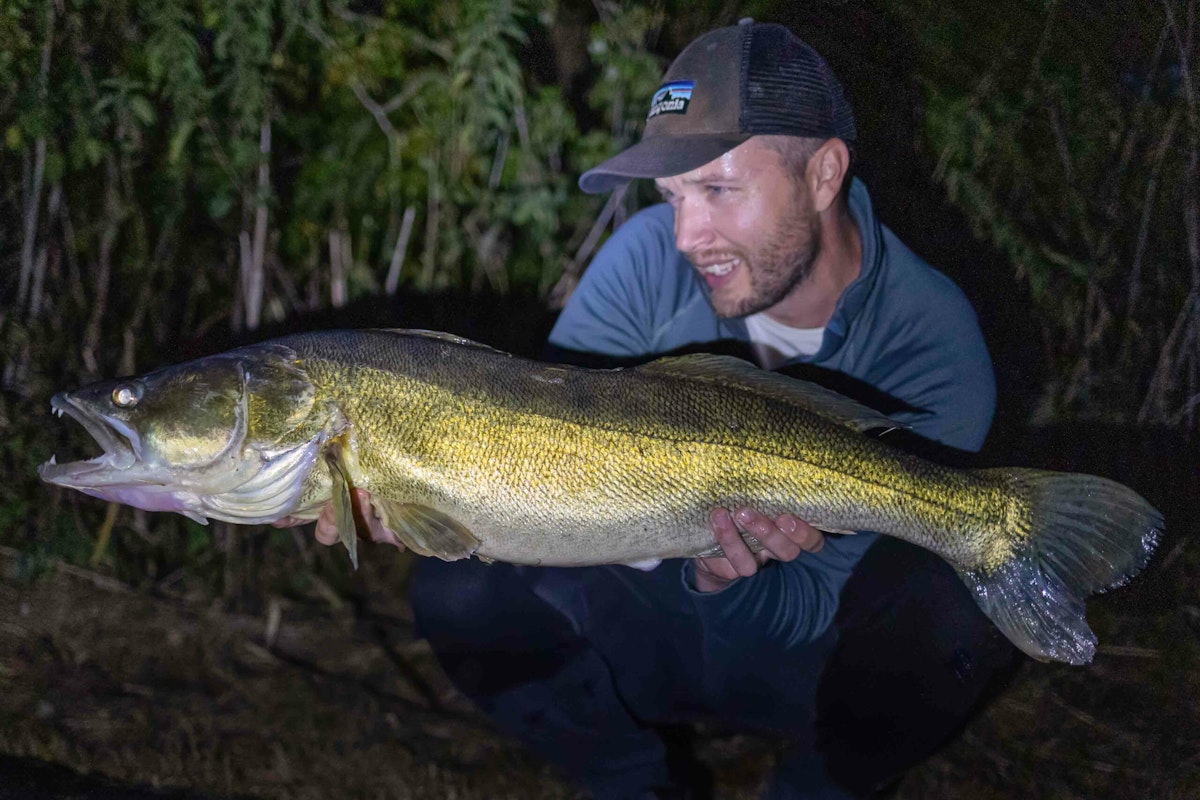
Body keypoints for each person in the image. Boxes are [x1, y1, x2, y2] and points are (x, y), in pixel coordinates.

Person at [307, 19, 1017, 799]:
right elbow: (539, 457)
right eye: (672, 196)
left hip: (807, 669)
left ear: (823, 174)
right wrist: (408, 496)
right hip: (645, 638)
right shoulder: (645, 259)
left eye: (717, 189)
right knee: (462, 594)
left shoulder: (935, 339)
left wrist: (728, 577)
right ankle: (634, 784)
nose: (686, 235)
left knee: (960, 613)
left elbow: (811, 607)